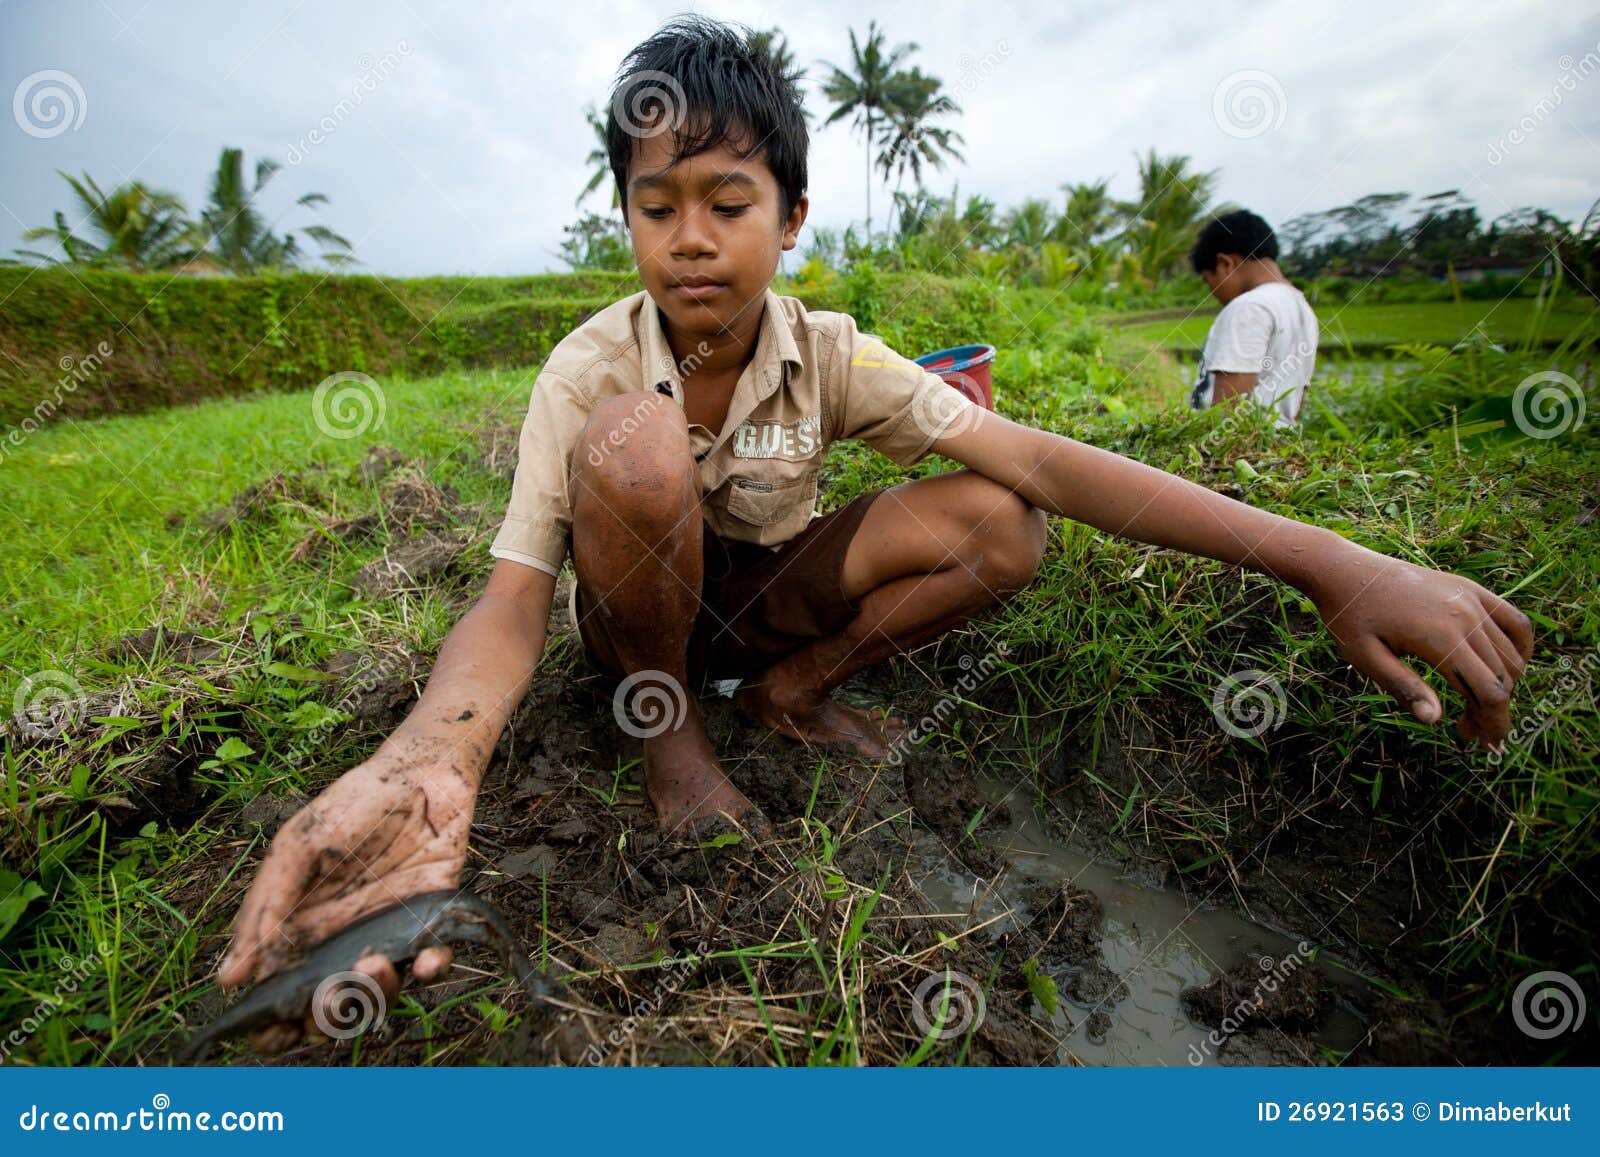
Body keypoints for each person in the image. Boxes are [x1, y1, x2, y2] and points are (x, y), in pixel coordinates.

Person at [216, 16, 1533, 1053]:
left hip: (759, 600)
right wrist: (431, 756)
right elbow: (509, 604)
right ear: (623, 216)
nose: (690, 240)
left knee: (999, 520)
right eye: (656, 204)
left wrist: (1326, 558)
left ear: (790, 220)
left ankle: (793, 692)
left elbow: (1033, 459)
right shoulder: (588, 366)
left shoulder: (829, 352)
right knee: (635, 447)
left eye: (729, 204)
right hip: (637, 625)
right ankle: (675, 740)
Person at [1188, 210, 1319, 426]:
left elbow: (1227, 412)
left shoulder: (1247, 308)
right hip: (1273, 443)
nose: (1211, 290)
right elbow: (1298, 397)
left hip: (1231, 451)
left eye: (1208, 280)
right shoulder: (1301, 307)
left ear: (1225, 264)